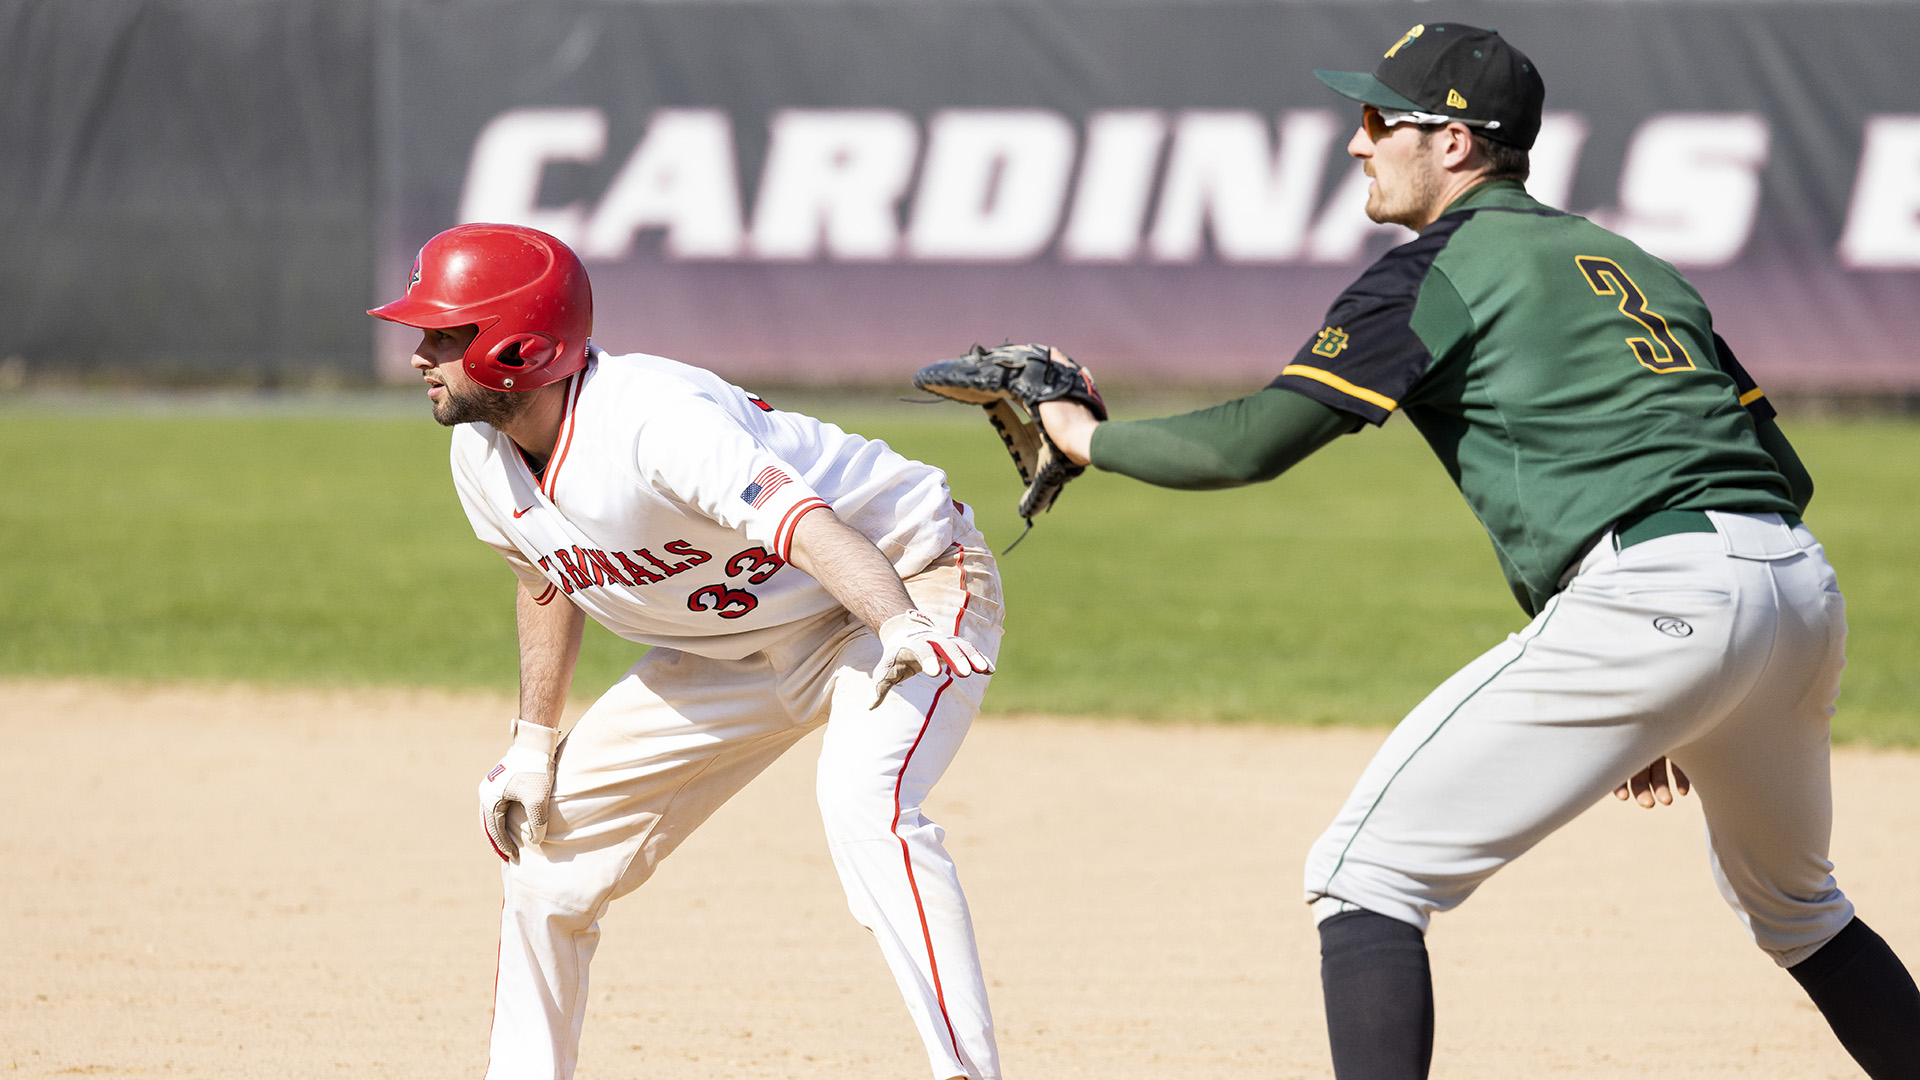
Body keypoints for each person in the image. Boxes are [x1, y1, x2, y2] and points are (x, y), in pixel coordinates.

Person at [1032, 23, 1920, 1080]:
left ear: (1453, 142)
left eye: (1376, 120)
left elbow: (1252, 444)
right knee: (1801, 912)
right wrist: (1694, 689)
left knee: (1364, 877)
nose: (1357, 144)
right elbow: (1782, 469)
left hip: (1658, 597)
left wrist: (1086, 438)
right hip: (1793, 588)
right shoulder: (1632, 261)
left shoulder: (1436, 269)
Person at [368, 222, 1006, 1080]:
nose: (418, 354)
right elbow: (543, 578)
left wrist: (897, 623)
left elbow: (810, 528)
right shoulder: (478, 455)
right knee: (550, 856)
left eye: (443, 334)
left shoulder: (654, 423)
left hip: (898, 587)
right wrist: (531, 744)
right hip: (724, 649)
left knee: (867, 806)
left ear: (519, 346)